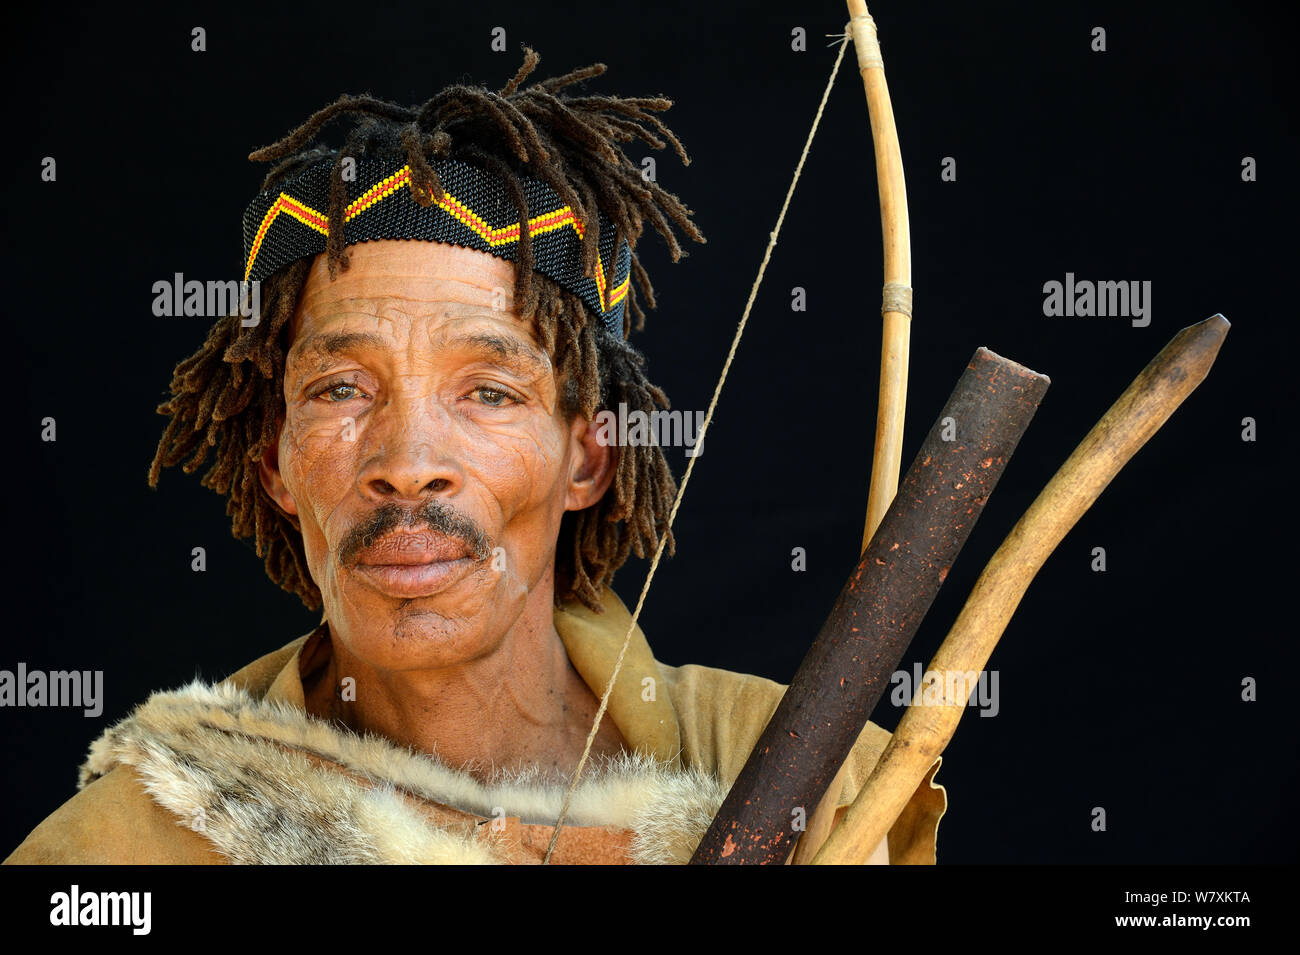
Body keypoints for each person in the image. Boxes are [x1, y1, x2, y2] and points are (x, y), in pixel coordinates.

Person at [5, 49, 944, 865]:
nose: (409, 463)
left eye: (489, 393)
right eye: (342, 390)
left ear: (590, 458)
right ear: (277, 466)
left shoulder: (819, 779)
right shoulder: (134, 841)